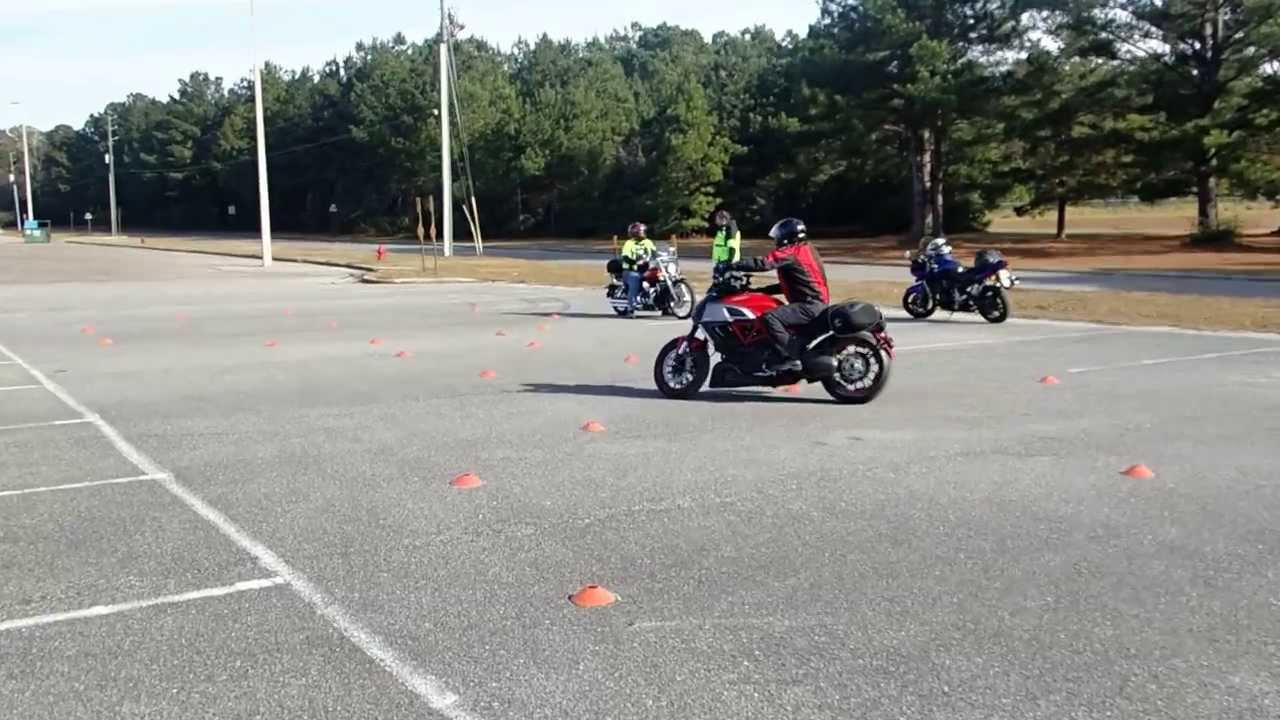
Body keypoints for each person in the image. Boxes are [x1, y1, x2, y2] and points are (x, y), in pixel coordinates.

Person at [719, 217, 829, 372]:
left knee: (770, 317)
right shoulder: (806, 250)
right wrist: (760, 291)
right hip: (814, 303)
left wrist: (733, 264)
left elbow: (764, 263)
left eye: (778, 237)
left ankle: (791, 356)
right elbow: (795, 284)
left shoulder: (792, 252)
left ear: (788, 236)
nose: (776, 241)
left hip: (810, 306)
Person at [619, 222, 657, 316]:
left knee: (660, 277)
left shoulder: (648, 242)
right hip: (631, 270)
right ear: (635, 233)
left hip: (645, 269)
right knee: (635, 279)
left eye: (643, 231)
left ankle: (666, 306)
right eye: (641, 232)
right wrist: (635, 263)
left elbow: (655, 252)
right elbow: (625, 257)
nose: (643, 233)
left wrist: (664, 256)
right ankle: (631, 308)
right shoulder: (629, 243)